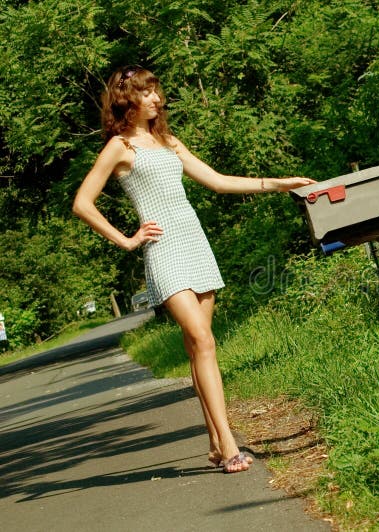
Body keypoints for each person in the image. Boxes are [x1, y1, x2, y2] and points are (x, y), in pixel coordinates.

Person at [73, 65, 315, 474]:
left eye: (155, 90)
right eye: (145, 92)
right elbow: (82, 203)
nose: (155, 98)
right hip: (163, 250)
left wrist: (278, 183)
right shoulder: (119, 147)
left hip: (195, 243)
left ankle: (215, 445)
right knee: (202, 340)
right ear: (125, 100)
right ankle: (230, 444)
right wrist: (128, 240)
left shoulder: (168, 140)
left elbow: (218, 181)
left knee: (198, 348)